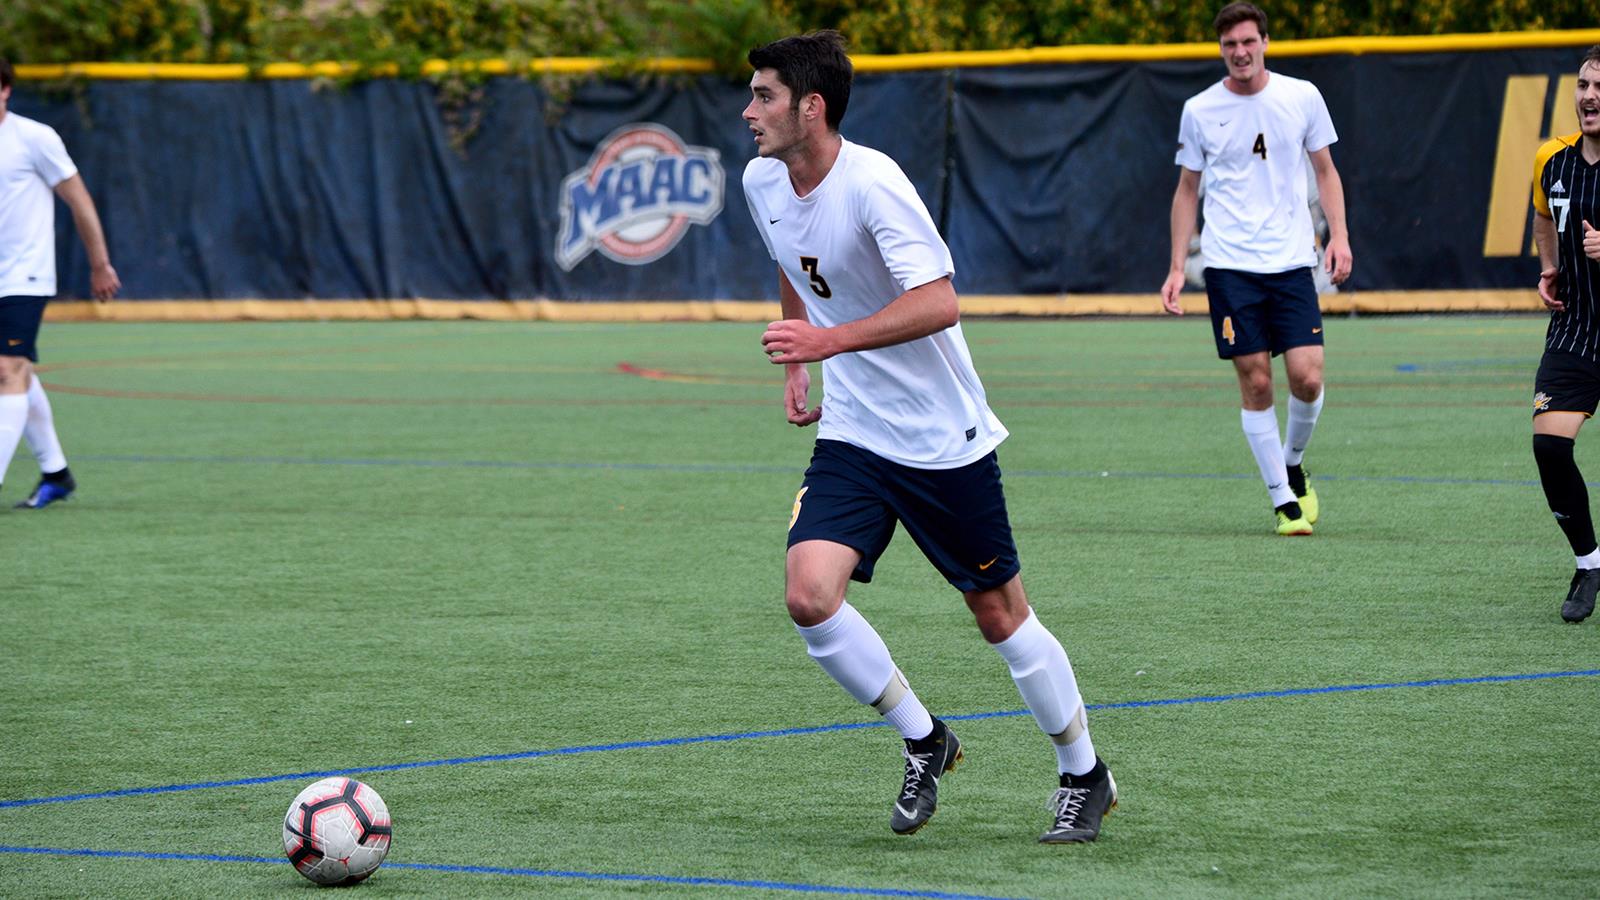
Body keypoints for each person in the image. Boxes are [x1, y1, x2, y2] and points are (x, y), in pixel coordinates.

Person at [741, 30, 1115, 843]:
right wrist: (795, 356)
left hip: (942, 437)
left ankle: (1085, 771)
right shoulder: (762, 178)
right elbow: (789, 255)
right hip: (855, 432)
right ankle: (924, 737)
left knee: (998, 613)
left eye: (764, 95)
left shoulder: (874, 184)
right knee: (809, 594)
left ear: (812, 107)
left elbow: (941, 301)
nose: (749, 111)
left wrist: (827, 343)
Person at [1159, 3, 1352, 536]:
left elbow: (1326, 172)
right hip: (1228, 266)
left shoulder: (1301, 96)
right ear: (1221, 50)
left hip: (1292, 262)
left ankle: (1292, 461)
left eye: (1248, 41)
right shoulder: (1200, 109)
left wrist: (1339, 237)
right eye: (1230, 45)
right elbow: (1187, 190)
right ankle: (1282, 500)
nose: (1240, 52)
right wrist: (1178, 267)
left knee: (1308, 379)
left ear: (1265, 41)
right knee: (1257, 381)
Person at [0, 58, 119, 509]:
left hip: (25, 275)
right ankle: (57, 473)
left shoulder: (34, 138)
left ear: (6, 89)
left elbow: (79, 199)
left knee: (7, 368)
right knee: (19, 373)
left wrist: (99, 263)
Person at [1530, 45, 1600, 624]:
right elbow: (1541, 215)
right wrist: (1548, 265)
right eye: (1582, 85)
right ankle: (1588, 564)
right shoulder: (1552, 161)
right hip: (1575, 329)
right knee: (1549, 447)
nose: (1589, 96)